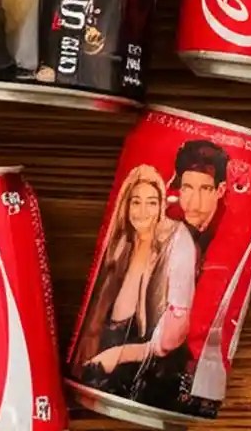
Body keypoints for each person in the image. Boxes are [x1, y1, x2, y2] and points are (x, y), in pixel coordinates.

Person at [73, 165, 197, 400]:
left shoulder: (177, 241)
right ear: (125, 205)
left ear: (162, 205)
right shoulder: (120, 246)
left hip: (152, 373)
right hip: (103, 372)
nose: (143, 211)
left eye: (151, 202)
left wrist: (116, 356)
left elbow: (172, 337)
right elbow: (100, 319)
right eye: (136, 202)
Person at [170, 140, 229, 256]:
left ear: (220, 190)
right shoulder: (168, 225)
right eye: (187, 188)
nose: (194, 204)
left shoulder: (225, 232)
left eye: (205, 189)